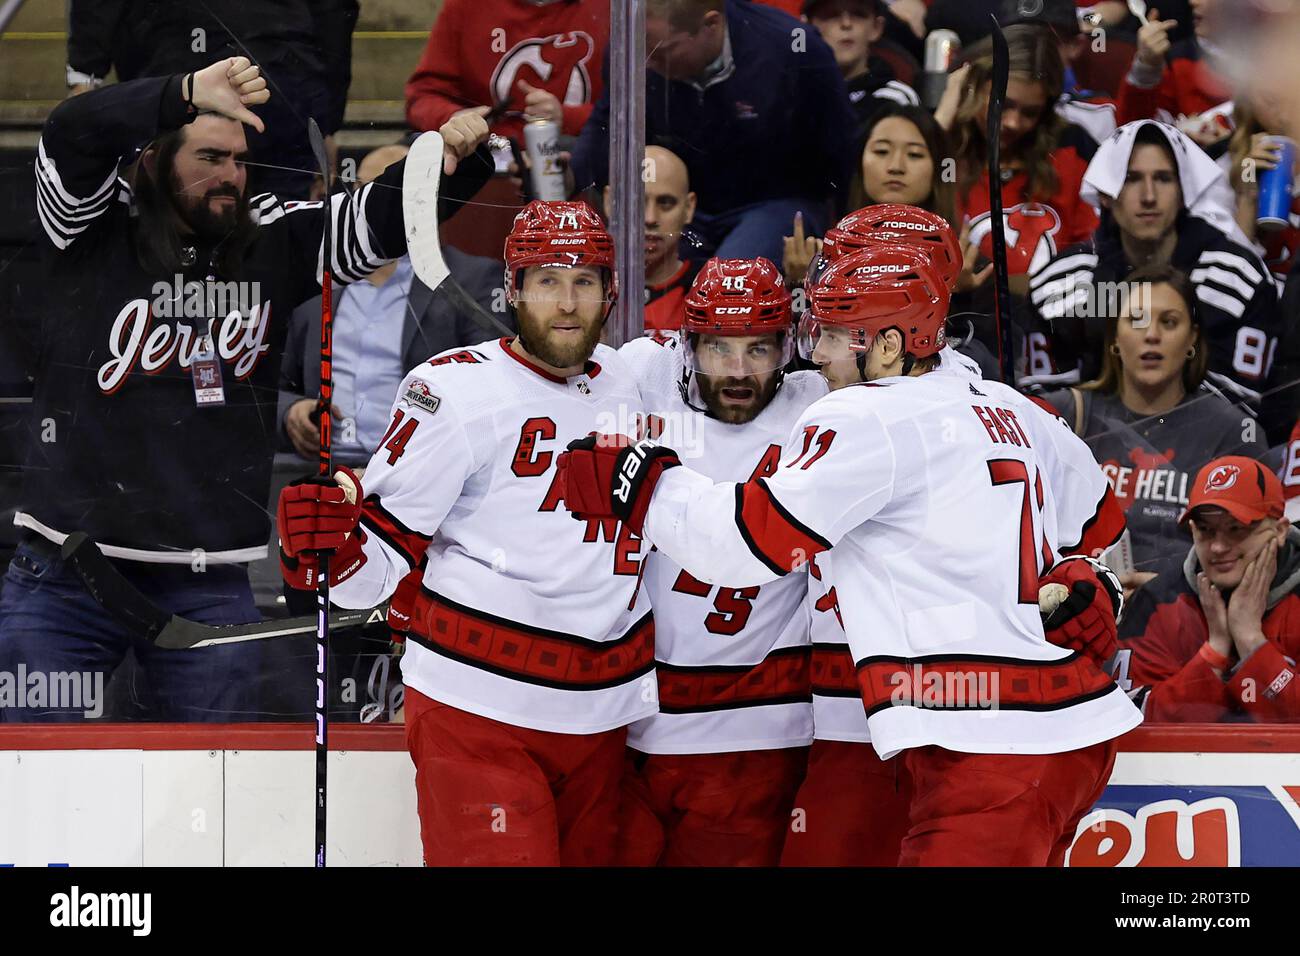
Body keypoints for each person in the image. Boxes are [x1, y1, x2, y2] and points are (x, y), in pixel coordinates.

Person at [556, 241, 1141, 866]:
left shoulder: (866, 414)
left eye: (835, 334)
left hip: (989, 742)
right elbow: (1105, 522)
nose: (819, 354)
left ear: (890, 345)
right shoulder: (1011, 406)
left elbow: (741, 547)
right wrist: (1097, 578)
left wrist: (643, 482)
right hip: (1053, 732)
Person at [0, 58, 492, 723]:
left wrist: (455, 155)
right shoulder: (83, 234)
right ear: (152, 162)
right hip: (66, 576)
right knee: (38, 784)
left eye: (238, 159)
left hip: (209, 585)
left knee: (215, 786)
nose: (231, 175)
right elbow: (69, 132)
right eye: (210, 156)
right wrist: (178, 91)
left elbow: (382, 217)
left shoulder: (272, 249)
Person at [277, 201, 655, 866]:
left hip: (602, 719)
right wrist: (321, 547)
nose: (566, 304)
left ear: (611, 293)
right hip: (479, 713)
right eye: (545, 281)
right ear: (511, 289)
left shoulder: (629, 380)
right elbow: (375, 569)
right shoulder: (450, 391)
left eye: (585, 282)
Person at [612, 257, 827, 866]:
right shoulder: (639, 374)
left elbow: (945, 374)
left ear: (789, 346)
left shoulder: (822, 407)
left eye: (758, 351)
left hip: (756, 732)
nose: (738, 373)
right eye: (718, 350)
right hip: (630, 722)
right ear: (686, 346)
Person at [571, 0, 855, 264]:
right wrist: (570, 183)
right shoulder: (634, 50)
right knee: (604, 262)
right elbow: (607, 130)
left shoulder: (795, 51)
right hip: (679, 206)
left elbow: (839, 152)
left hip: (773, 204)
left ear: (711, 25)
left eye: (662, 51)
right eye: (642, 48)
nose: (647, 62)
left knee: (727, 281)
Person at [1039, 265, 1266, 590]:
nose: (1152, 335)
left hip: (1184, 620)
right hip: (1076, 614)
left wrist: (1170, 594)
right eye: (1136, 320)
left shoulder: (1235, 432)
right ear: (1115, 338)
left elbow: (1253, 550)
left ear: (1192, 339)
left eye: (1169, 322)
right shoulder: (1060, 415)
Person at [279, 145, 510, 465]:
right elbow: (269, 383)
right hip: (320, 470)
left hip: (420, 474)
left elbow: (493, 388)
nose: (381, 205)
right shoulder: (314, 281)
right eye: (367, 191)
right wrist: (291, 411)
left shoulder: (473, 280)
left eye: (397, 190)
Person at [1028, 120, 1282, 408]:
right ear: (1104, 194)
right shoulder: (1063, 281)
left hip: (1206, 448)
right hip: (1088, 447)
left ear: (1185, 190)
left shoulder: (1237, 276)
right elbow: (1044, 411)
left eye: (1163, 179)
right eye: (1131, 179)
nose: (1148, 197)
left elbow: (1242, 410)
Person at [66, 0, 360, 199]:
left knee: (173, 234)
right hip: (279, 74)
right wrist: (327, 122)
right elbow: (335, 12)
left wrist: (85, 76)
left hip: (176, 70)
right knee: (285, 237)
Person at [1115, 455, 1300, 722]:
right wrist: (1213, 655)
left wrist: (1251, 641)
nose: (1218, 547)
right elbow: (1132, 725)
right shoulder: (1159, 602)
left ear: (1280, 530)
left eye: (1236, 529)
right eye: (1205, 530)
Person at [937, 23, 1100, 287]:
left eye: (1030, 112)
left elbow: (1091, 257)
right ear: (973, 87)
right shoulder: (944, 149)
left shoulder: (1070, 149)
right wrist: (942, 122)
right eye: (1003, 105)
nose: (1013, 123)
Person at [405, 0, 610, 144]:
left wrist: (567, 117)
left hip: (578, 155)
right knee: (385, 159)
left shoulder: (612, 9)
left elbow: (632, 113)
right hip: (480, 157)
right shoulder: (465, 6)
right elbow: (422, 97)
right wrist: (456, 119)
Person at [603, 145, 701, 334]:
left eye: (665, 203)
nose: (649, 218)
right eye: (637, 202)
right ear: (609, 202)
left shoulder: (707, 294)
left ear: (689, 208)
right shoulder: (582, 290)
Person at [802, 0, 919, 154]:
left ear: (876, 28)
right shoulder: (791, 94)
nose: (846, 23)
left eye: (858, 14)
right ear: (807, 27)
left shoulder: (897, 99)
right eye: (831, 15)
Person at [1115, 0, 1234, 137]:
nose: (1193, 2)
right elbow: (1132, 136)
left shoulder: (1262, 56)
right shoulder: (1177, 63)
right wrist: (1146, 66)